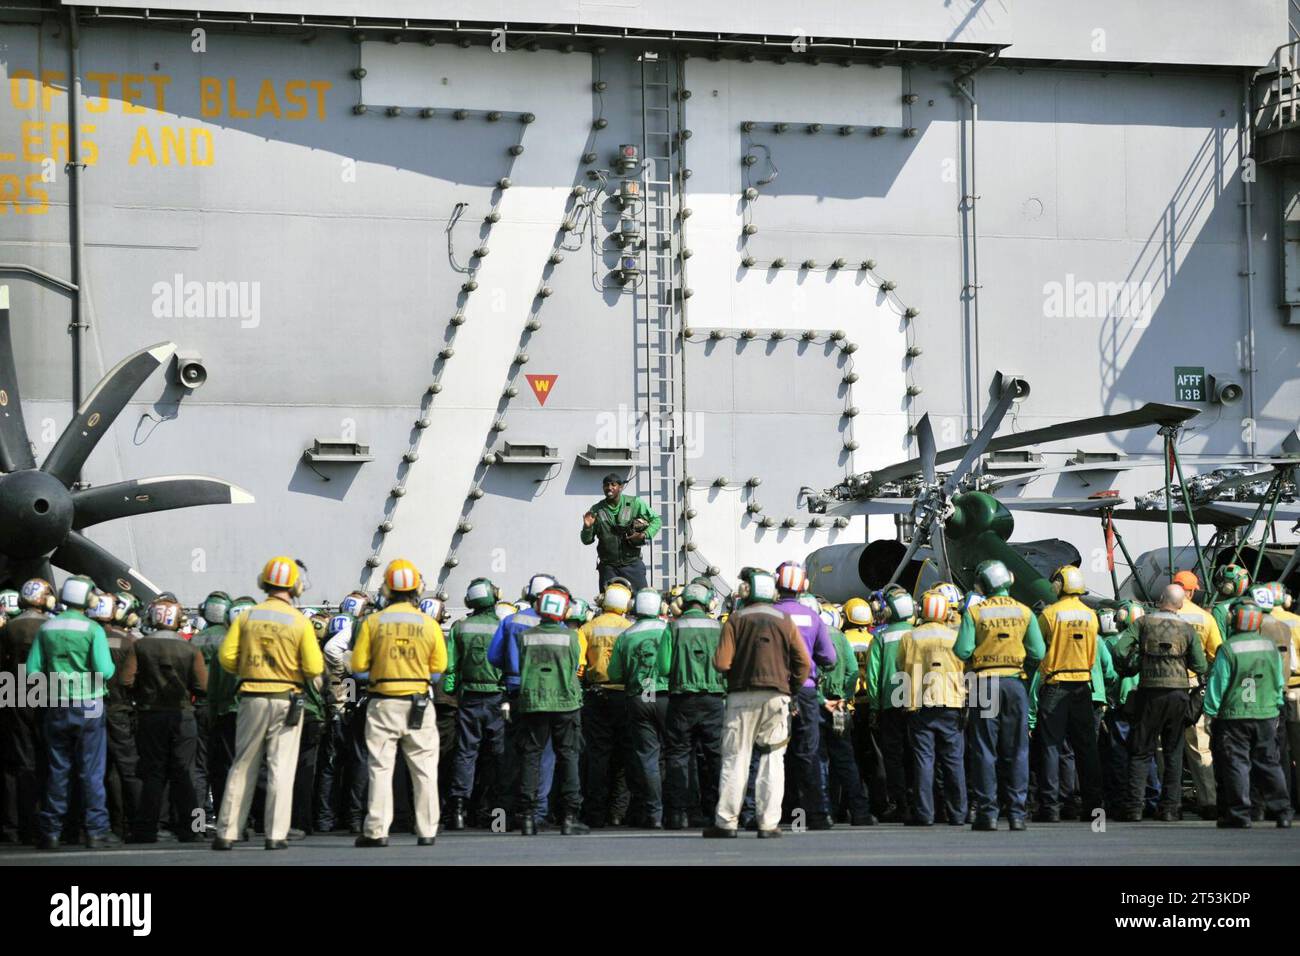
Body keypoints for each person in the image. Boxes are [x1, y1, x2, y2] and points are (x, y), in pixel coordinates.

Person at [213, 556, 324, 851]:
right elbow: (314, 667)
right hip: (287, 699)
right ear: (296, 586)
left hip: (251, 697)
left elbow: (225, 658)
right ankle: (275, 834)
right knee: (281, 767)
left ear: (264, 583)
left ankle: (227, 831)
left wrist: (251, 668)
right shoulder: (300, 621)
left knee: (243, 764)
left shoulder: (247, 617)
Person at [707, 568, 811, 839]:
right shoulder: (785, 620)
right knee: (773, 759)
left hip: (741, 698)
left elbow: (721, 662)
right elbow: (804, 663)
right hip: (777, 698)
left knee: (736, 759)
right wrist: (791, 689)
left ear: (748, 591)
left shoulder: (736, 619)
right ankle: (768, 824)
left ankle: (726, 822)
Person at [351, 559, 446, 848]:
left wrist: (384, 673)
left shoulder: (372, 622)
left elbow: (357, 667)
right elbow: (439, 668)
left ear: (388, 589)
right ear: (417, 589)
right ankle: (427, 830)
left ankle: (377, 831)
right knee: (425, 768)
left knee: (380, 767)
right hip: (419, 702)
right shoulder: (429, 624)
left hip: (383, 702)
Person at [26, 575, 118, 850]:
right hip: (89, 702)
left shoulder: (47, 629)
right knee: (91, 770)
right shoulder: (93, 630)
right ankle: (95, 831)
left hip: (57, 703)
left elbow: (31, 672)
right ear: (88, 598)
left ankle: (51, 832)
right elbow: (105, 671)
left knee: (58, 769)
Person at [954, 559, 1043, 831]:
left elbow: (962, 651)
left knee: (984, 750)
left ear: (982, 584)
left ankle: (987, 814)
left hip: (984, 684)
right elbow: (1039, 653)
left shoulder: (975, 613)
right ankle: (1017, 814)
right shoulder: (1025, 612)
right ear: (1009, 580)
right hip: (1015, 684)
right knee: (1017, 750)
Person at [496, 584, 589, 835]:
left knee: (531, 756)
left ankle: (527, 816)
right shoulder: (570, 637)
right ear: (563, 610)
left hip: (532, 702)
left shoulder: (525, 636)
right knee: (568, 756)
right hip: (565, 703)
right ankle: (570, 817)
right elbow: (572, 666)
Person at [1113, 584, 1207, 822]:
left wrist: (1134, 664)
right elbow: (1201, 666)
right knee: (1174, 752)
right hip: (1178, 696)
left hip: (1150, 693)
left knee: (1141, 751)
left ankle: (1134, 808)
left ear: (1161, 599)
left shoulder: (1143, 623)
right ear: (1180, 604)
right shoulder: (1186, 629)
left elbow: (1119, 649)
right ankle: (1170, 809)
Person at [1204, 600, 1292, 828]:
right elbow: (1278, 680)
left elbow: (1218, 683)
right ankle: (1282, 811)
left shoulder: (1229, 648)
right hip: (1266, 714)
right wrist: (1276, 707)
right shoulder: (1270, 646)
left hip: (1234, 717)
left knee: (1237, 764)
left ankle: (1240, 814)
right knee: (1269, 763)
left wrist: (1210, 713)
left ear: (1235, 620)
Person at [130, 597, 208, 843]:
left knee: (153, 774)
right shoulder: (190, 649)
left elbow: (125, 680)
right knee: (186, 773)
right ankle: (194, 828)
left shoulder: (140, 646)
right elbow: (202, 686)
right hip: (183, 716)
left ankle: (146, 830)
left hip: (150, 715)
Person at [1034, 564, 1104, 823]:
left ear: (1059, 585)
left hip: (1056, 685)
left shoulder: (1050, 614)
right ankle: (1093, 806)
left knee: (1051, 746)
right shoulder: (1091, 615)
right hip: (1083, 687)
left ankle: (1050, 808)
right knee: (1087, 748)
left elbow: (1036, 649)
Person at [771, 561, 837, 829]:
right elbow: (829, 658)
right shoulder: (813, 617)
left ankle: (779, 813)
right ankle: (815, 815)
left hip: (774, 690)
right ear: (804, 587)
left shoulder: (768, 615)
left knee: (773, 753)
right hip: (807, 691)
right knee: (807, 752)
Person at [895, 589, 967, 827]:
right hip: (952, 704)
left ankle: (924, 814)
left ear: (922, 610)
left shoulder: (910, 637)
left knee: (924, 760)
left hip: (920, 705)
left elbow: (901, 667)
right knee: (953, 761)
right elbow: (965, 668)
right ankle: (958, 814)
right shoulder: (956, 636)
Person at [659, 580, 726, 830]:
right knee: (715, 756)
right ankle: (718, 812)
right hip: (713, 700)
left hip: (682, 700)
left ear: (682, 603)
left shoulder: (673, 628)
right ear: (708, 602)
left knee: (678, 755)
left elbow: (664, 667)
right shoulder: (718, 627)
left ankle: (678, 814)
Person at [444, 577, 506, 830]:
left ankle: (458, 811)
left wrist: (451, 690)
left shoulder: (460, 627)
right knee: (497, 755)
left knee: (466, 753)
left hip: (469, 697)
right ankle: (493, 812)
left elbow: (450, 667)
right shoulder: (502, 627)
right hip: (496, 698)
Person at [607, 587, 670, 829]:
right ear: (659, 608)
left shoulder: (626, 635)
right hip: (664, 695)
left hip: (639, 697)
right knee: (674, 753)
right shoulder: (668, 630)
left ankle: (654, 814)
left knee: (647, 757)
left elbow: (614, 673)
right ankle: (676, 810)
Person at [0, 578, 56, 845]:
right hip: (47, 693)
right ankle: (45, 823)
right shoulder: (51, 627)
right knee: (48, 761)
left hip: (13, 694)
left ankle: (15, 826)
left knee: (17, 763)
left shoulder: (9, 627)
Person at [812, 598, 874, 826]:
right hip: (839, 707)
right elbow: (852, 673)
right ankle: (860, 812)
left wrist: (820, 698)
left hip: (816, 706)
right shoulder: (840, 637)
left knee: (818, 759)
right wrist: (844, 698)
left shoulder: (810, 635)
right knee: (846, 760)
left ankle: (824, 811)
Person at [1170, 569, 1223, 820]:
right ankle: (1209, 801)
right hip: (1193, 687)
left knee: (1164, 745)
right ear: (1191, 591)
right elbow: (1217, 655)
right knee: (1200, 746)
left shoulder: (1164, 616)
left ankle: (1170, 802)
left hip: (1166, 686)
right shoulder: (1205, 618)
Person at [89, 591, 141, 838]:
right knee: (128, 769)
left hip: (89, 708)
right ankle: (133, 824)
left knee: (95, 768)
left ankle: (97, 825)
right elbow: (132, 680)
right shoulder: (127, 641)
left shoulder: (86, 636)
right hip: (120, 710)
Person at [865, 586, 917, 822]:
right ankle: (922, 801)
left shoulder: (881, 637)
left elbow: (873, 677)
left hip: (890, 704)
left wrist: (874, 708)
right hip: (917, 702)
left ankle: (900, 804)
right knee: (918, 753)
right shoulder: (919, 632)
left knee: (893, 757)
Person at [580, 473, 662, 591]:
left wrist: (644, 534)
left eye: (613, 484)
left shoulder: (635, 503)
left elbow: (656, 520)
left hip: (632, 564)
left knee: (640, 600)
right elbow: (586, 540)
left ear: (621, 487)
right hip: (609, 568)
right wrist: (587, 527)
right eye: (606, 485)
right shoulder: (596, 510)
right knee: (609, 604)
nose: (609, 488)